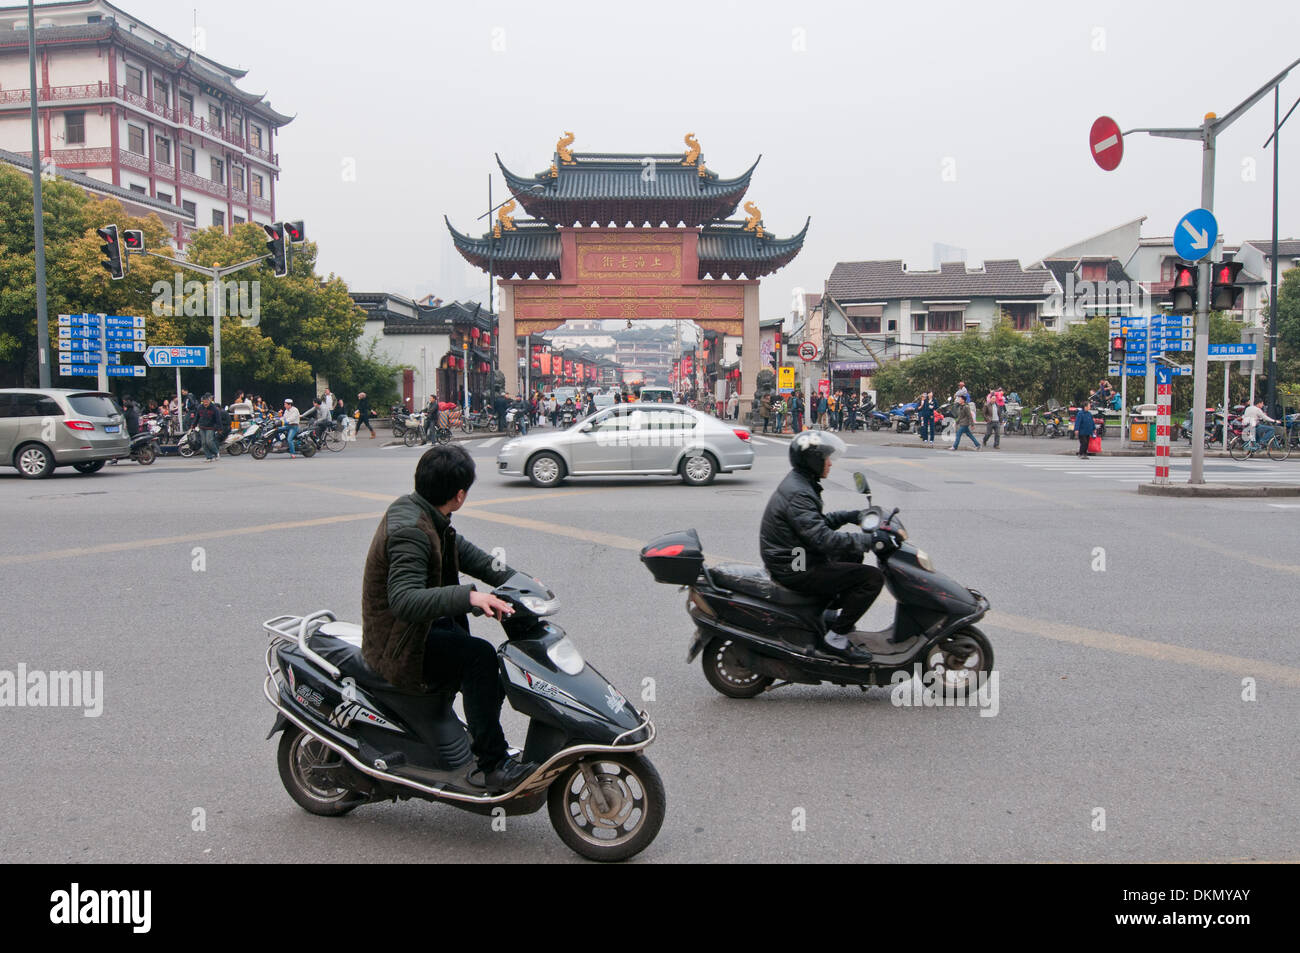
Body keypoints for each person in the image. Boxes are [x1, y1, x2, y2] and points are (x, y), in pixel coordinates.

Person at [361, 444, 537, 790]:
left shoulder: (424, 512)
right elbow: (404, 600)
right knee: (480, 659)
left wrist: (519, 582)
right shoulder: (413, 530)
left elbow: (468, 555)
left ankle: (466, 736)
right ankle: (493, 764)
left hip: (415, 630)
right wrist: (470, 597)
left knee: (481, 658)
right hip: (399, 642)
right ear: (459, 495)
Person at [760, 431, 882, 663]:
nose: (830, 463)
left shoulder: (801, 483)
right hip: (795, 566)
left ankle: (827, 614)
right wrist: (868, 541)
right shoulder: (799, 493)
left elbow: (813, 525)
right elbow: (822, 539)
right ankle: (835, 637)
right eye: (826, 458)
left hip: (795, 555)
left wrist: (850, 515)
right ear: (812, 460)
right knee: (871, 579)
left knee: (852, 553)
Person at [195, 393, 222, 462]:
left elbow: (218, 419)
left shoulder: (214, 409)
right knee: (203, 443)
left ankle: (216, 452)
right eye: (204, 402)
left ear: (210, 401)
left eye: (207, 401)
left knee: (209, 441)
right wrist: (193, 425)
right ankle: (208, 457)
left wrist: (219, 428)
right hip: (202, 427)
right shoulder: (200, 407)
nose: (205, 403)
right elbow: (197, 417)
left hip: (211, 427)